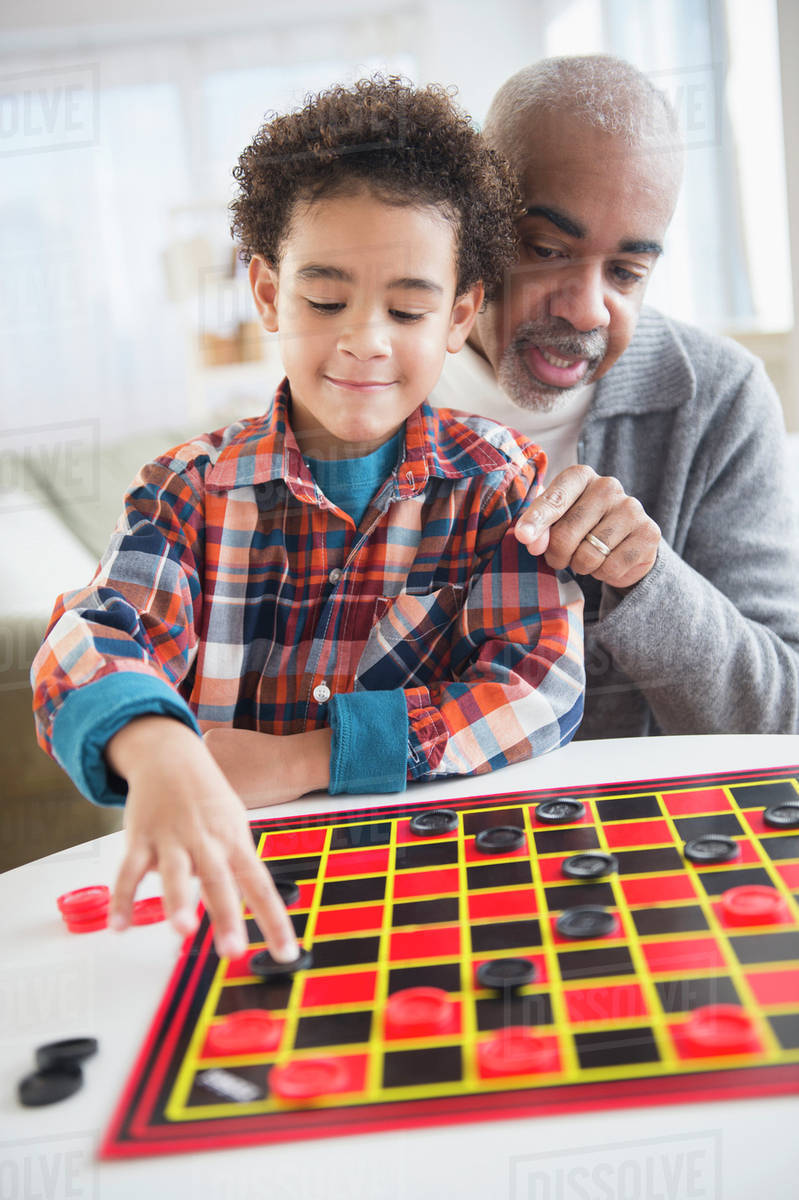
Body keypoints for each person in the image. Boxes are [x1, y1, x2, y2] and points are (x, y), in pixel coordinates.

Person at [31, 77, 584, 962]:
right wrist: (155, 743)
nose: (364, 339)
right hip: (232, 888)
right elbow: (91, 637)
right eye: (325, 300)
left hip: (436, 883)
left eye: (407, 309)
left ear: (459, 315)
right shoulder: (187, 489)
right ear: (266, 292)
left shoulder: (496, 483)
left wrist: (304, 759)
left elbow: (537, 688)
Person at [431, 54, 799, 738]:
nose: (587, 310)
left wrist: (648, 577)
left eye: (626, 272)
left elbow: (780, 715)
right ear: (471, 220)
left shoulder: (719, 400)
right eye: (546, 250)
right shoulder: (370, 387)